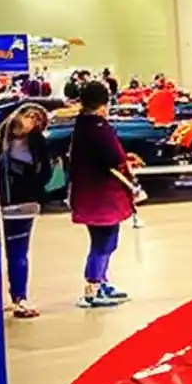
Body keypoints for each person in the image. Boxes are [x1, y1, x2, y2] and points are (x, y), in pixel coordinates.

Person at [67, 81, 134, 308]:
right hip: (102, 196)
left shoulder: (81, 126)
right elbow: (113, 157)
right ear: (103, 103)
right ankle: (93, 288)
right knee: (104, 243)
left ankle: (101, 281)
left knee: (102, 241)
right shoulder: (98, 127)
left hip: (87, 194)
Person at [0, 107, 52, 318]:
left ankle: (19, 298)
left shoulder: (38, 143)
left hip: (22, 205)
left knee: (18, 253)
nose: (31, 121)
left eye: (36, 118)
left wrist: (33, 189)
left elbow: (45, 172)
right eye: (28, 115)